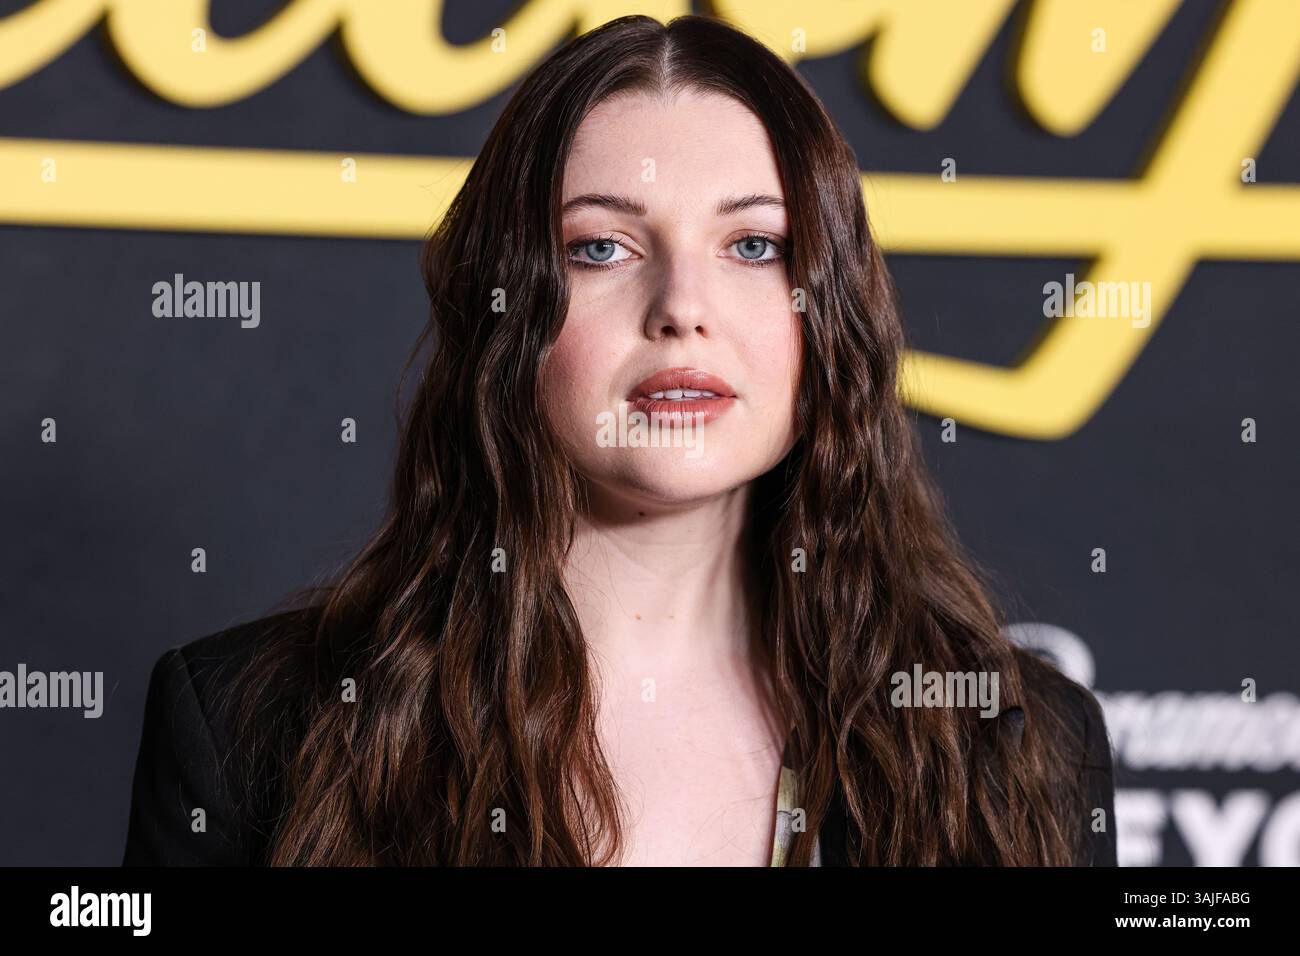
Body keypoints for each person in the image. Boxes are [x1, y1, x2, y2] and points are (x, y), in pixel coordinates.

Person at [122, 13, 1116, 867]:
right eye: (600, 246)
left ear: (828, 315)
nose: (682, 306)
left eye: (754, 246)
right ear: (506, 309)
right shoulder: (256, 723)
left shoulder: (1013, 738)